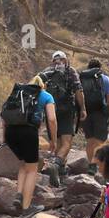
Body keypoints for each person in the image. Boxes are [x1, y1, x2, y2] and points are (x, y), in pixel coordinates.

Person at [2, 75, 58, 212]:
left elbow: (4, 114)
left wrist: (5, 137)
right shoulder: (46, 95)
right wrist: (53, 140)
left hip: (10, 132)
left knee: (24, 164)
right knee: (33, 169)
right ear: (42, 85)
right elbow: (51, 119)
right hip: (28, 132)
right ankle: (26, 207)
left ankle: (19, 196)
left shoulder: (18, 93)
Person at [39, 50, 86, 184]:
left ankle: (60, 173)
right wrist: (82, 108)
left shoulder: (47, 71)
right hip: (66, 110)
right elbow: (78, 90)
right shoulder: (70, 70)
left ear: (53, 60)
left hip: (50, 110)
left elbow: (37, 88)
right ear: (65, 60)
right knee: (66, 143)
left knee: (57, 142)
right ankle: (55, 165)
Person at [80, 58, 109, 174]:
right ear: (99, 68)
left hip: (86, 112)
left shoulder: (81, 79)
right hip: (100, 112)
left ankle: (91, 164)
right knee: (99, 140)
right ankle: (95, 165)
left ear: (88, 68)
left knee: (90, 140)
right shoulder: (104, 79)